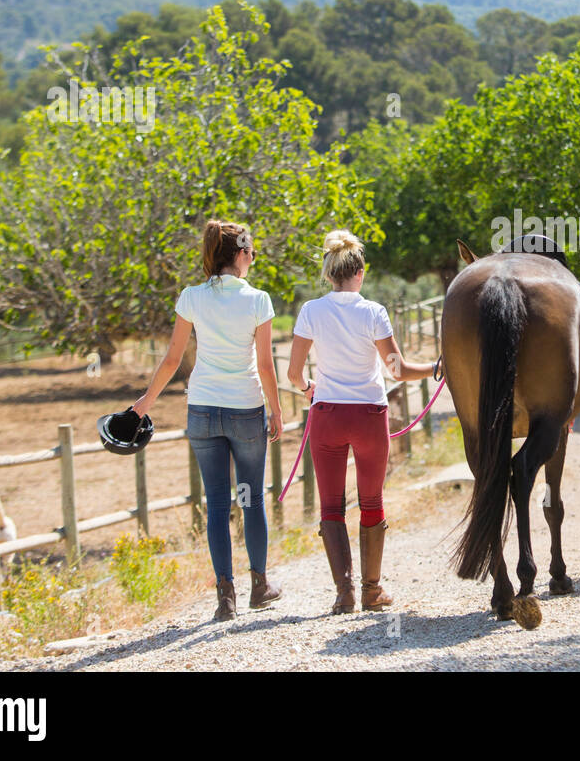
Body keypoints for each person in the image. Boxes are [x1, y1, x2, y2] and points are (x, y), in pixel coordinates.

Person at [132, 220, 284, 622]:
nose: (253, 258)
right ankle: (260, 584)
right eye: (251, 251)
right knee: (250, 498)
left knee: (216, 503)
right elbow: (266, 366)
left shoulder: (191, 297)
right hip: (245, 410)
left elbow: (171, 359)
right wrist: (276, 409)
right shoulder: (258, 300)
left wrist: (145, 402)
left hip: (202, 410)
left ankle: (225, 596)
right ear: (239, 254)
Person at [286, 230, 435, 615]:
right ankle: (372, 590)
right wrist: (437, 368)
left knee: (331, 506)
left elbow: (293, 372)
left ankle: (344, 594)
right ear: (360, 272)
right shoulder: (373, 312)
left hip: (327, 416)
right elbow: (397, 370)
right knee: (372, 501)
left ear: (329, 272)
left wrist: (308, 388)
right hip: (370, 414)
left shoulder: (310, 312)